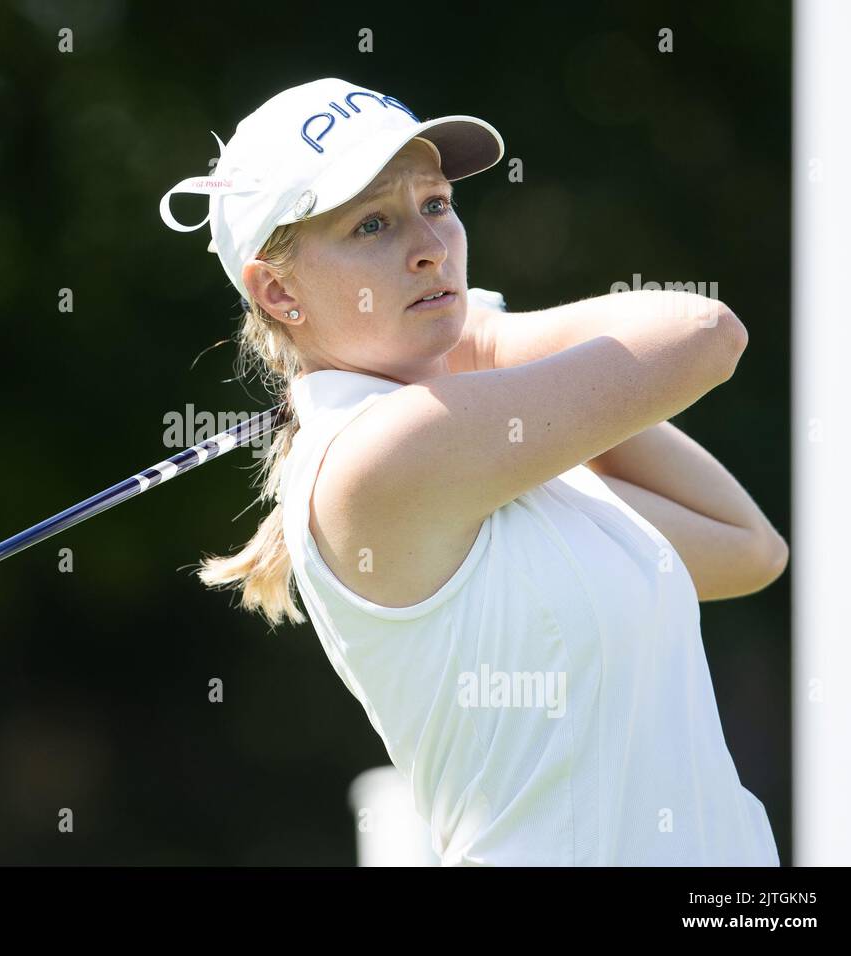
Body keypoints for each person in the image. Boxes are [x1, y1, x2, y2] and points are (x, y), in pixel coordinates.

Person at [159, 77, 787, 865]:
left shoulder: (489, 449)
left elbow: (747, 548)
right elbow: (704, 332)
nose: (430, 247)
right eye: (372, 224)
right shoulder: (381, 455)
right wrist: (482, 340)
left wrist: (464, 355)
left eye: (436, 204)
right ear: (279, 289)